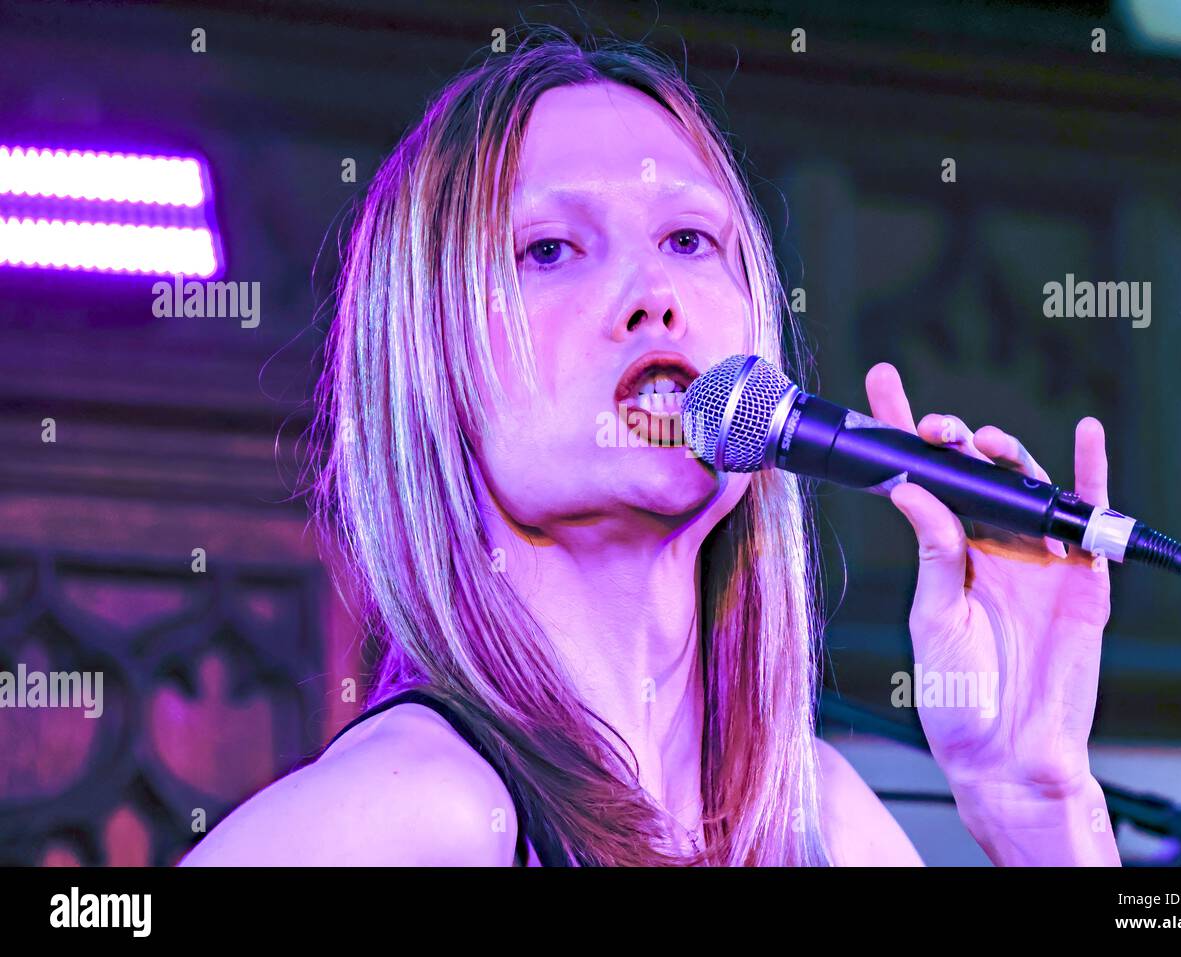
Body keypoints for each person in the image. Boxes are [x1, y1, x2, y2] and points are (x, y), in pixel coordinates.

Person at [181, 25, 1119, 867]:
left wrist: (1035, 806)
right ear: (431, 363)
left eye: (689, 238)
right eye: (549, 248)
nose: (653, 294)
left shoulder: (825, 821)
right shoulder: (419, 814)